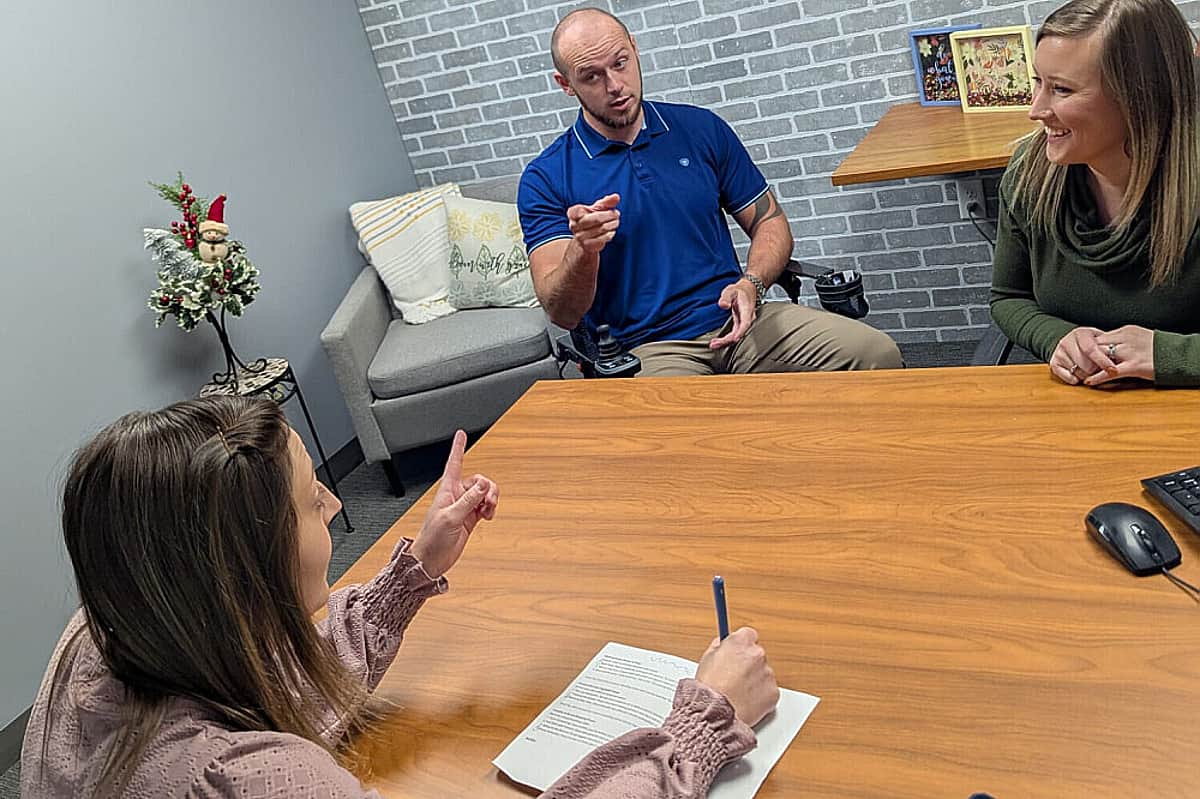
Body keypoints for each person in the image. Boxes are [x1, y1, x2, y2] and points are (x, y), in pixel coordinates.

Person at [21, 396, 779, 798]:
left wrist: (412, 571)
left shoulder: (110, 629)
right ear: (243, 570)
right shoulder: (241, 777)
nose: (333, 501)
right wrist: (699, 726)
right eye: (306, 499)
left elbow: (287, 679)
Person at [517, 8, 902, 378]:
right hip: (649, 348)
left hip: (740, 321)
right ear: (566, 84)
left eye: (620, 63)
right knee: (686, 433)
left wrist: (752, 282)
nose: (615, 85)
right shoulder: (547, 177)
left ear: (634, 48)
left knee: (875, 355)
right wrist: (582, 250)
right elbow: (562, 312)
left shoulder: (699, 129)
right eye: (591, 76)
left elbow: (771, 223)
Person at [990, 0, 1200, 387]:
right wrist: (1057, 339)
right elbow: (1008, 297)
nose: (1035, 110)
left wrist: (1170, 355)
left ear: (1140, 98)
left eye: (1062, 89)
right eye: (1038, 81)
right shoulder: (1029, 173)